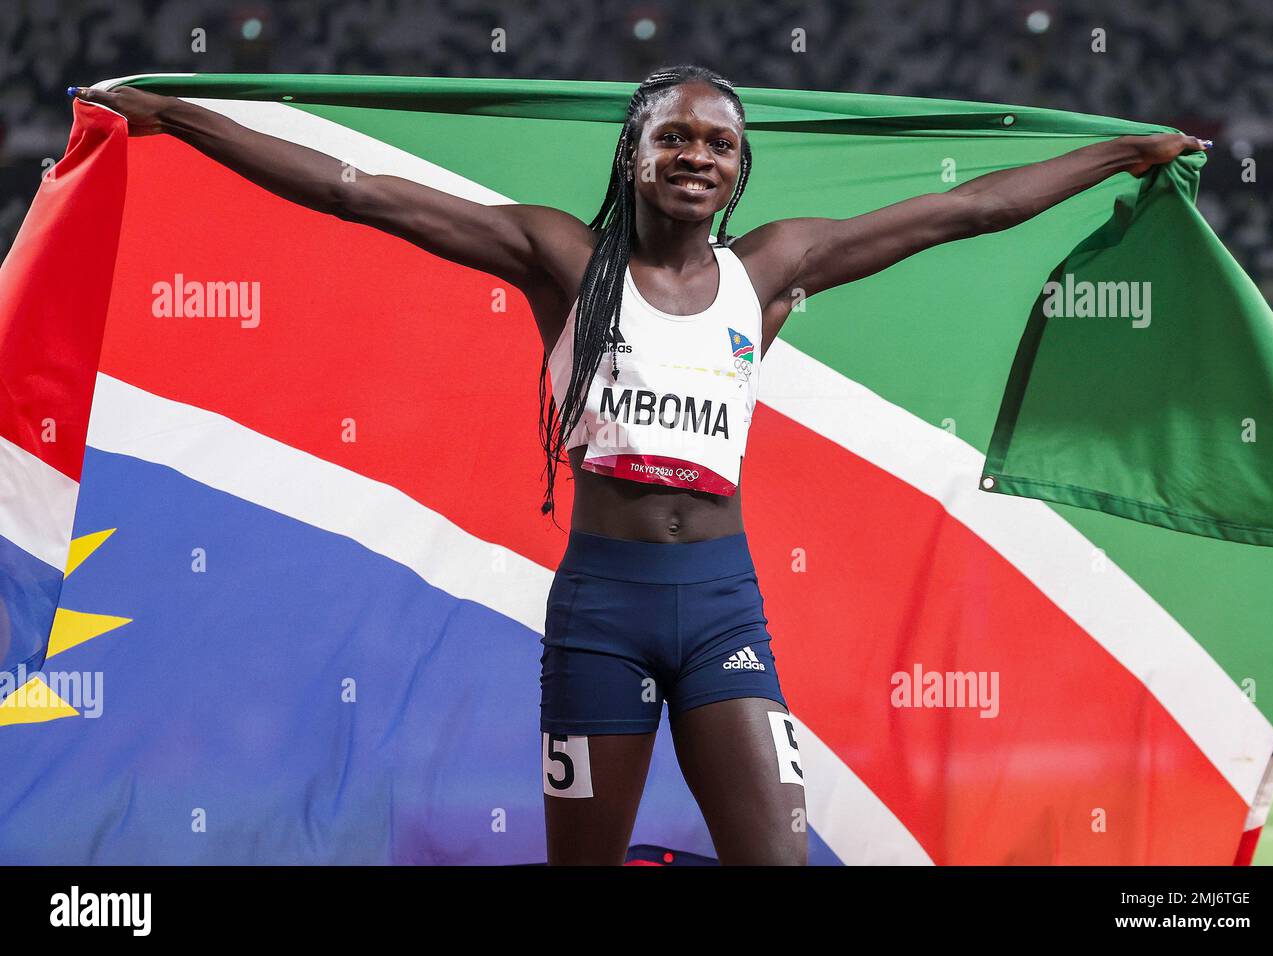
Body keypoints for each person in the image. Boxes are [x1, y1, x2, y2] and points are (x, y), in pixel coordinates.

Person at [70, 64, 1206, 866]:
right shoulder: (558, 256)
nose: (696, 156)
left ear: (740, 165)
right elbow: (359, 195)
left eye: (717, 143)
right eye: (675, 136)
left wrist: (1120, 151)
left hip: (722, 607)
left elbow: (962, 209)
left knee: (776, 852)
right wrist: (179, 117)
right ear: (636, 149)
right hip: (601, 611)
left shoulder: (772, 268)